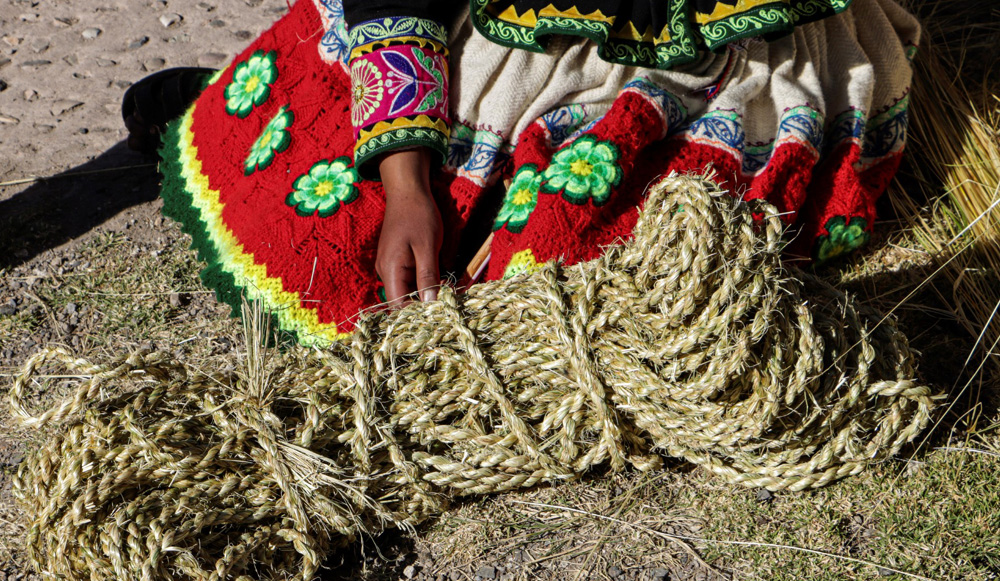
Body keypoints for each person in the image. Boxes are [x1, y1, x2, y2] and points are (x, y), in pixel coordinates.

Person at [124, 0, 920, 346]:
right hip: (536, 40)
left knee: (581, 266)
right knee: (320, 232)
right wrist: (405, 182)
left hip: (742, 64)